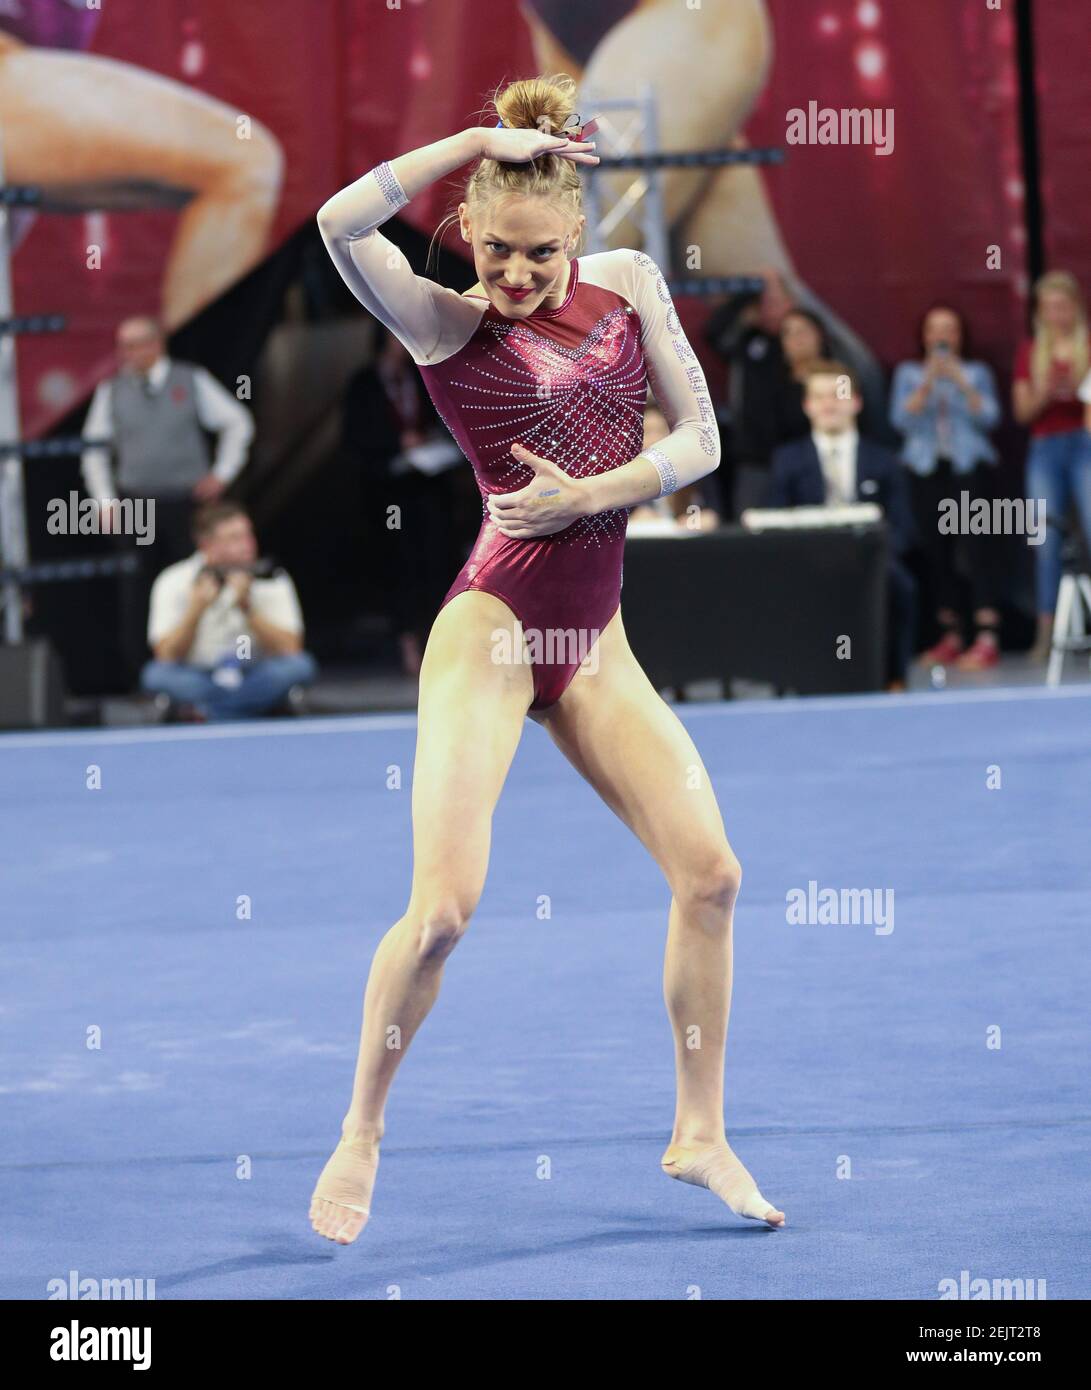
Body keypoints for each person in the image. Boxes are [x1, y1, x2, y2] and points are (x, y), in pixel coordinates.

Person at [310, 73, 784, 1243]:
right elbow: (334, 224)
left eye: (534, 253)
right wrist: (474, 138)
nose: (511, 278)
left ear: (577, 227)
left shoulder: (628, 284)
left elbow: (701, 438)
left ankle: (697, 1131)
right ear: (468, 229)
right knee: (442, 913)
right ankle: (361, 1127)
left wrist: (596, 491)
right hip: (494, 629)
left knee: (712, 876)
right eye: (493, 251)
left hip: (596, 636)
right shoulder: (442, 321)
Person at [80, 316, 256, 684]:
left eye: (133, 344)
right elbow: (93, 450)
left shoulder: (190, 379)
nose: (126, 354)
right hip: (135, 505)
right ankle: (144, 677)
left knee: (197, 580)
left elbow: (238, 421)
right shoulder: (111, 390)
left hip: (186, 503)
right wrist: (105, 502)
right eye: (122, 346)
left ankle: (204, 666)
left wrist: (222, 473)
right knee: (135, 590)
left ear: (156, 344)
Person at [767, 360, 917, 689]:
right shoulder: (787, 460)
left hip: (871, 563)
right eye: (819, 397)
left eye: (838, 395)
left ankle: (894, 678)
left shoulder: (885, 460)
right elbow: (774, 523)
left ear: (856, 402)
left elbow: (903, 528)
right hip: (807, 562)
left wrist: (870, 554)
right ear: (807, 406)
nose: (829, 404)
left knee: (900, 584)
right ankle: (790, 681)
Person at [340, 325, 477, 676]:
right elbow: (354, 438)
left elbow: (450, 420)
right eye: (394, 338)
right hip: (388, 491)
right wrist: (396, 445)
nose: (401, 346)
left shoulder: (424, 376)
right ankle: (407, 643)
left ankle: (442, 641)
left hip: (429, 487)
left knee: (439, 562)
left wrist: (427, 440)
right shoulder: (364, 384)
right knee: (400, 567)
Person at [890, 305, 1003, 670]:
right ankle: (950, 633)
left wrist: (960, 381)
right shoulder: (909, 374)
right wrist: (927, 383)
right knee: (937, 551)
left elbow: (990, 417)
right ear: (924, 336)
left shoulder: (976, 372)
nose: (942, 337)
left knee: (976, 547)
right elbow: (900, 420)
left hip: (968, 468)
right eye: (934, 330)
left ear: (960, 336)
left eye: (950, 330)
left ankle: (987, 635)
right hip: (925, 470)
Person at [141, 501, 316, 721]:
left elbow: (291, 648)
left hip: (254, 674)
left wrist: (249, 609)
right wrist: (195, 611)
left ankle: (208, 712)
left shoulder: (271, 577)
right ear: (207, 545)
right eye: (235, 538)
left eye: (248, 535)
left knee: (299, 666)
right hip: (200, 676)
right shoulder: (173, 580)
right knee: (156, 675)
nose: (248, 544)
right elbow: (165, 655)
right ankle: (251, 708)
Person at [1012, 271, 1091, 661]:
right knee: (1045, 539)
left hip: (1085, 443)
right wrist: (1046, 389)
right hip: (1045, 446)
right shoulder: (1031, 350)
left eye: (1063, 306)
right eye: (1050, 307)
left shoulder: (1087, 345)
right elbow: (1022, 412)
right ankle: (1046, 632)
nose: (1057, 314)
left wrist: (1081, 386)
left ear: (1075, 308)